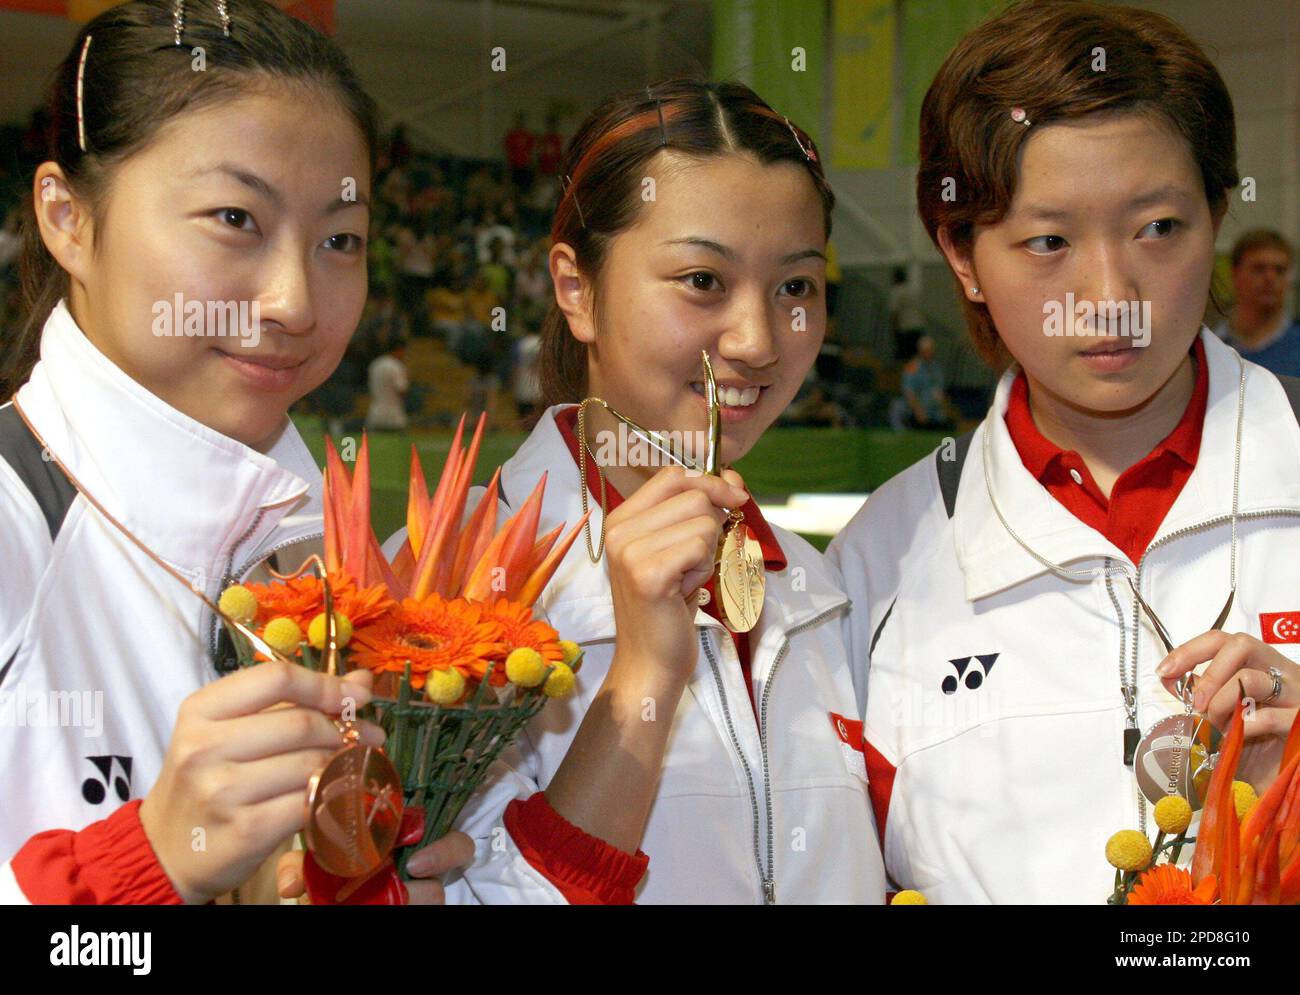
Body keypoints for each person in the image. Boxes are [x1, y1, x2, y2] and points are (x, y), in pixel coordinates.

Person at [828, 0, 1300, 904]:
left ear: (1219, 215)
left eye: (1159, 228)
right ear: (961, 254)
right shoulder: (881, 562)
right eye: (1048, 241)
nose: (1110, 293)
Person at [0, 0, 468, 905]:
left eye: (340, 240)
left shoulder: (321, 560)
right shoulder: (16, 523)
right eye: (234, 218)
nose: (295, 299)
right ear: (66, 218)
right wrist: (145, 864)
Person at [416, 79, 886, 904]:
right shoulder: (443, 594)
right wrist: (639, 682)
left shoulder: (829, 590)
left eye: (796, 288)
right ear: (576, 289)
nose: (757, 342)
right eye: (703, 280)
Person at [1214, 229, 1300, 377]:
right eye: (1259, 269)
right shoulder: (1213, 346)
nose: (1270, 278)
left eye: (1279, 270)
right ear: (1235, 274)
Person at [895, 335, 954, 430]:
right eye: (927, 350)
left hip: (935, 411)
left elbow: (939, 391)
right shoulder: (912, 367)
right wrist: (918, 410)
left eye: (931, 350)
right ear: (920, 351)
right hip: (916, 410)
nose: (930, 353)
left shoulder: (936, 368)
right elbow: (909, 392)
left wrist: (946, 408)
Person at [366, 337, 410, 432]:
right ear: (399, 350)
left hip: (375, 412)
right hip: (393, 414)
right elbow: (402, 390)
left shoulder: (375, 364)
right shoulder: (396, 366)